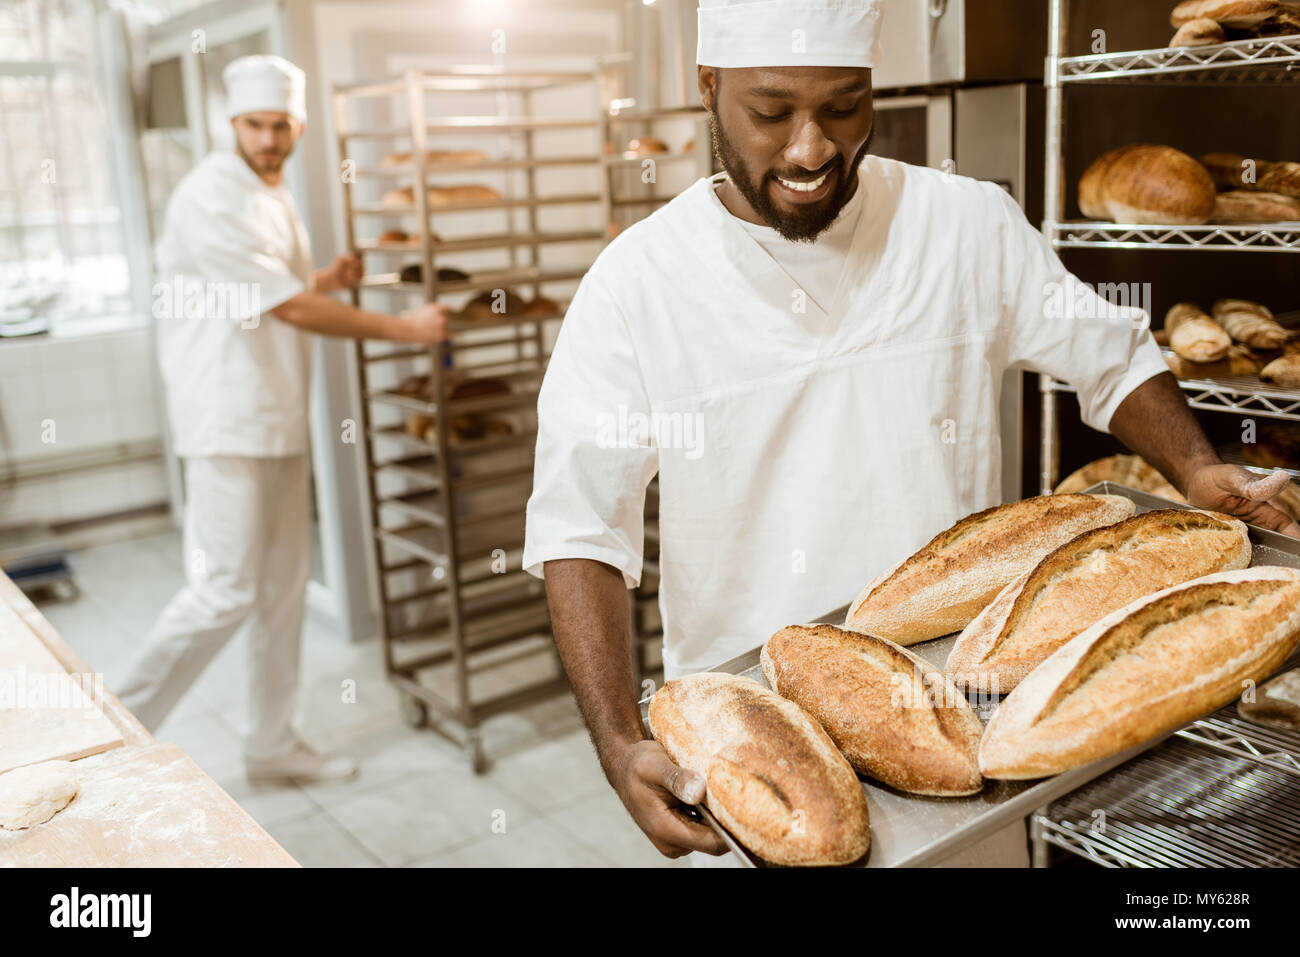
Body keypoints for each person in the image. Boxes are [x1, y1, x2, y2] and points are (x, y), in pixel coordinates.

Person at [522, 0, 1300, 865]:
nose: (811, 149)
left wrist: (1194, 465)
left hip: (964, 726)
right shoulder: (638, 285)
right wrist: (619, 739)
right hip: (750, 747)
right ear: (709, 87)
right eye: (770, 113)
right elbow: (579, 526)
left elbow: (1109, 355)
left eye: (845, 106)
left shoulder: (965, 226)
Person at [116, 55, 449, 783]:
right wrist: (407, 330)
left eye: (279, 126)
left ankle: (271, 745)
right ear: (231, 124)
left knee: (281, 590)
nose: (268, 139)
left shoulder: (269, 188)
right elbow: (286, 307)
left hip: (275, 416)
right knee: (223, 591)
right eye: (254, 126)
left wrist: (324, 278)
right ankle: (111, 730)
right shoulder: (210, 194)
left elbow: (274, 287)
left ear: (297, 126)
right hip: (226, 420)